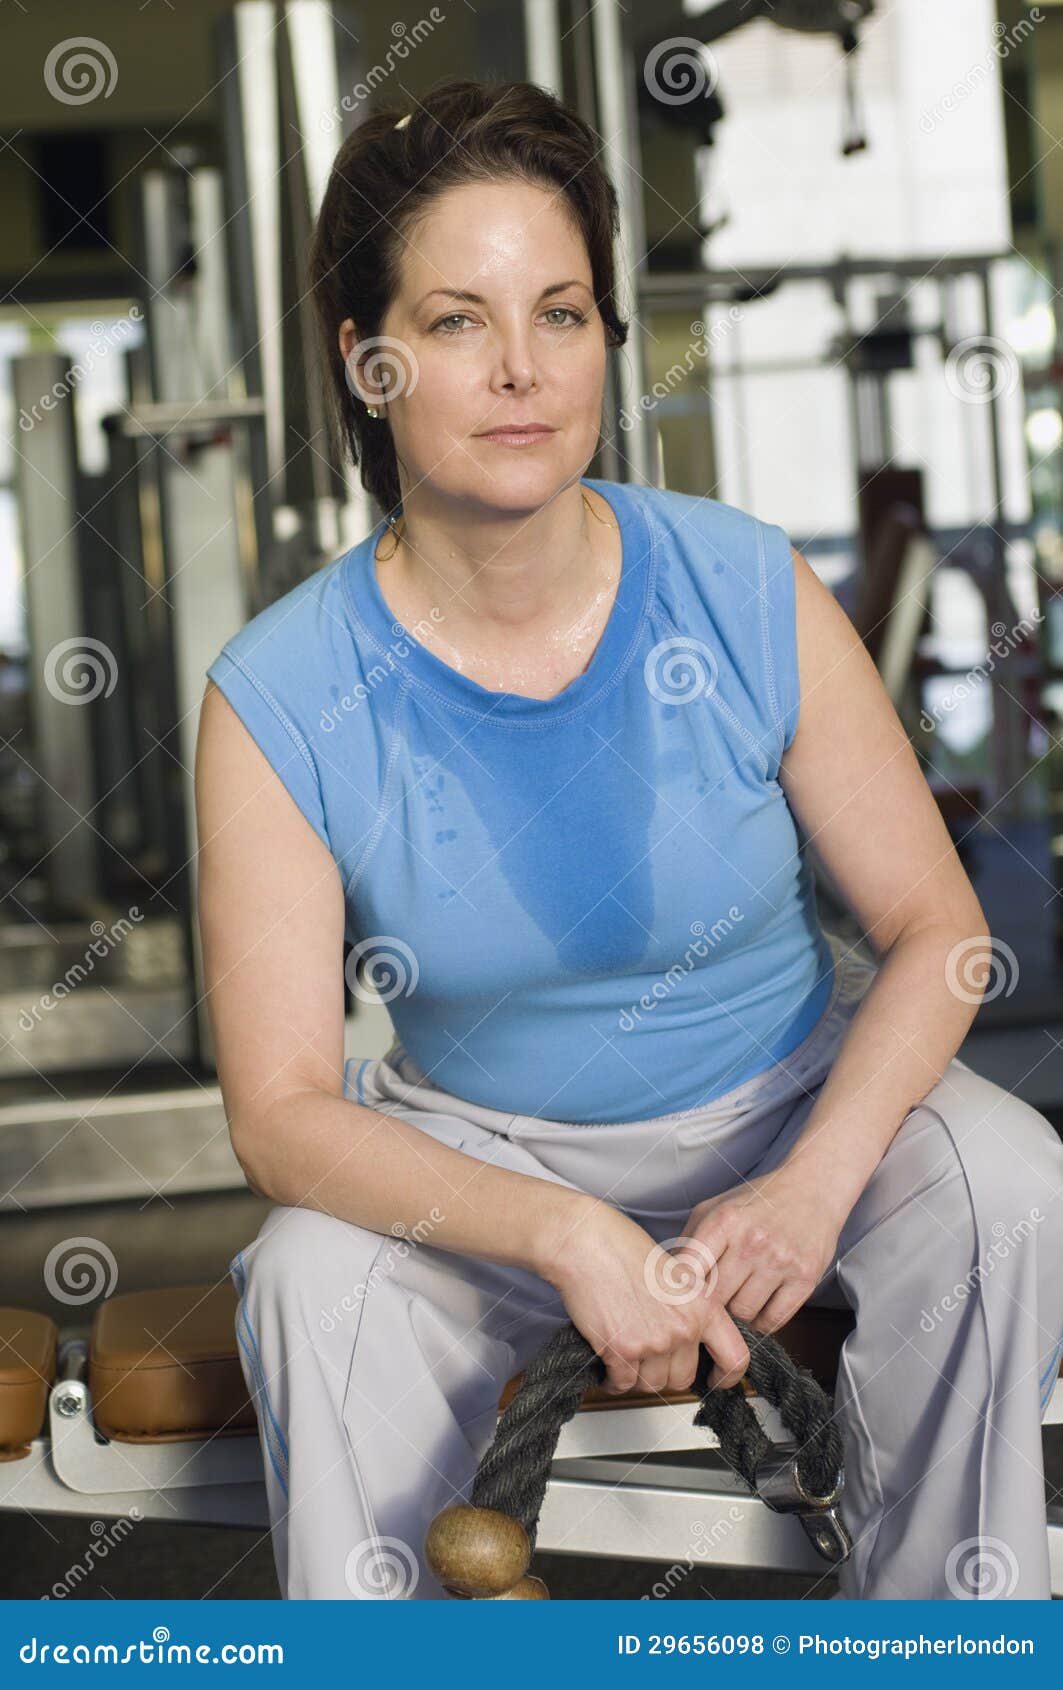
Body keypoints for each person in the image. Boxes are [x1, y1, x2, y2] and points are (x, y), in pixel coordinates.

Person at [194, 78, 1063, 1602]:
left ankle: (942, 1635)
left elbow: (943, 936)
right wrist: (563, 1231)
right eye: (459, 320)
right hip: (484, 1149)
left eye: (566, 312)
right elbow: (277, 1109)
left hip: (792, 1105)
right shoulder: (284, 687)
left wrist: (809, 1183)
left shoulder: (739, 585)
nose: (524, 368)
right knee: (313, 1280)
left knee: (1008, 1178)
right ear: (368, 359)